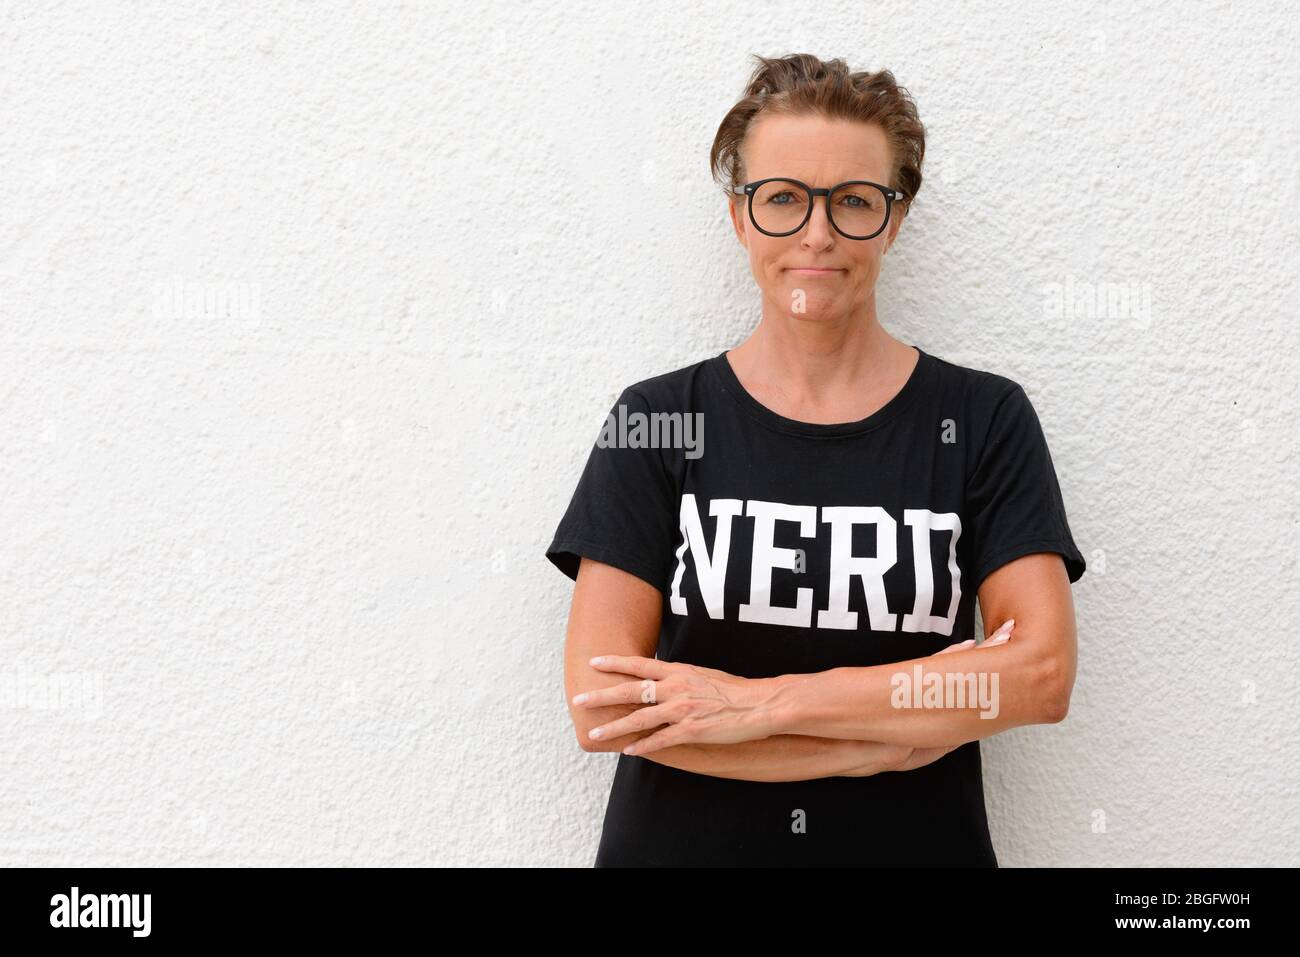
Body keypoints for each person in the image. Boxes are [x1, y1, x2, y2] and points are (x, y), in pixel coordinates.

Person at [544, 53, 1086, 867]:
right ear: (739, 215)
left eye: (855, 201)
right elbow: (604, 709)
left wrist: (756, 706)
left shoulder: (981, 419)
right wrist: (874, 741)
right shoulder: (656, 419)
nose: (818, 233)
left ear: (895, 220)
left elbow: (1038, 676)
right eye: (784, 199)